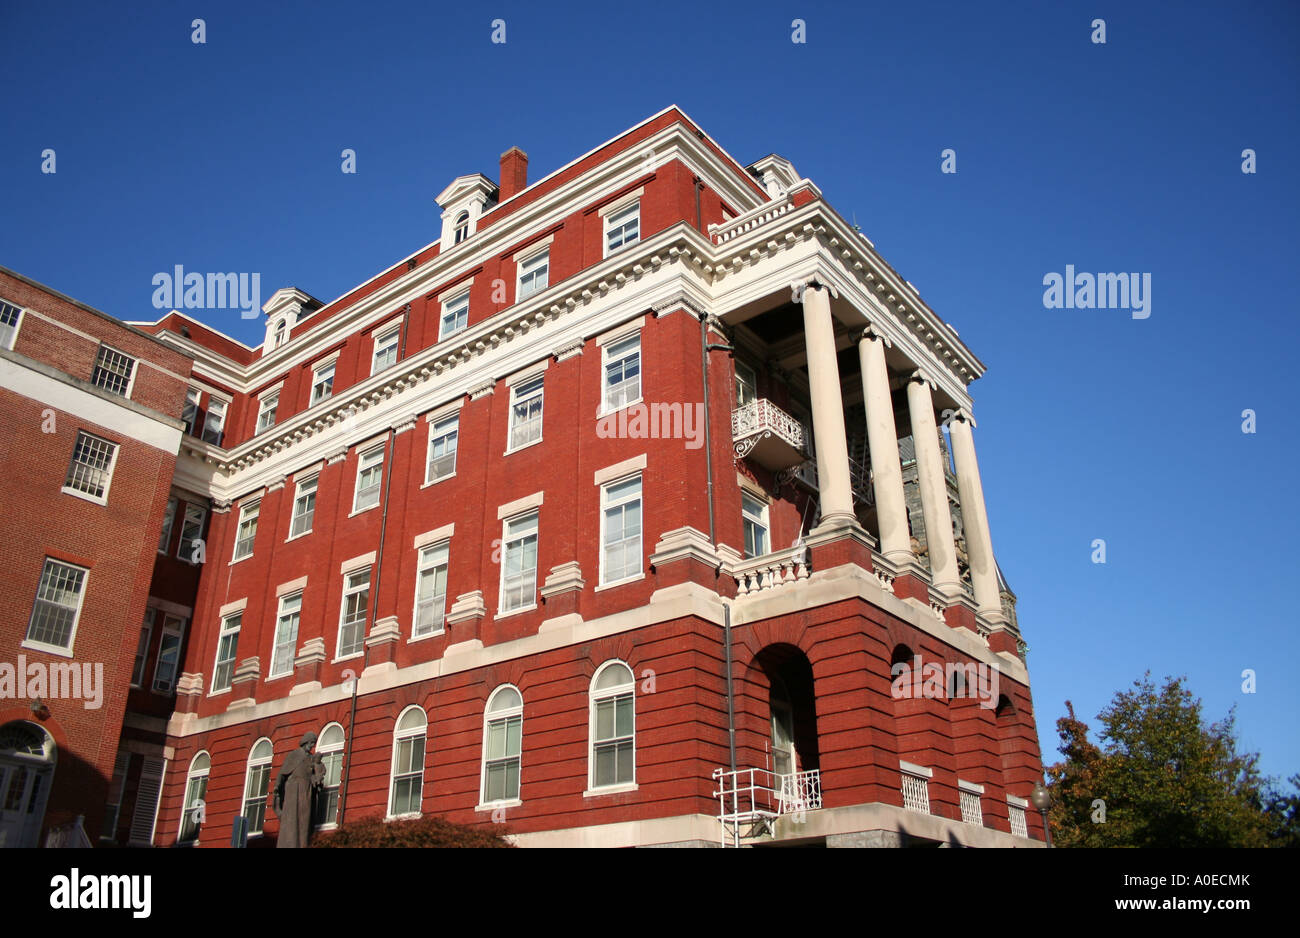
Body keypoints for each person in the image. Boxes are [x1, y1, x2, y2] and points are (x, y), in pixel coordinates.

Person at [273, 732, 324, 848]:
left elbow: (314, 776)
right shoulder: (294, 755)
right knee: (291, 820)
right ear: (306, 742)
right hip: (293, 790)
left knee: (304, 823)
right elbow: (282, 773)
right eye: (311, 743)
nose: (312, 746)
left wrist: (317, 782)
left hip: (306, 792)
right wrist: (277, 786)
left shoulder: (312, 759)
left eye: (313, 744)